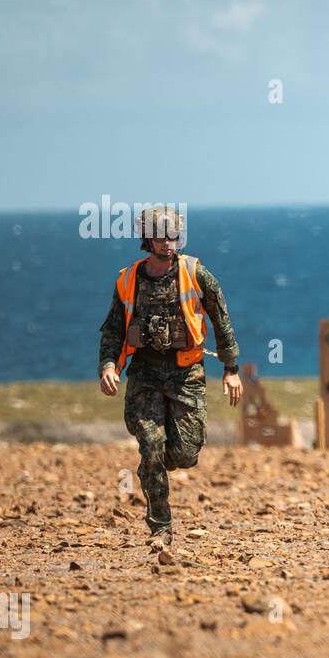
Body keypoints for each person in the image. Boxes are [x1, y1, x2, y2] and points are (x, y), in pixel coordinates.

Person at [97, 205, 242, 542]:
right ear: (147, 239)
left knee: (185, 454)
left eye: (174, 235)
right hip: (145, 373)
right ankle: (161, 527)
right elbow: (113, 330)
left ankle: (162, 464)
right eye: (161, 236)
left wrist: (230, 369)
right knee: (151, 447)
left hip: (186, 373)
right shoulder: (128, 279)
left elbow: (222, 320)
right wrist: (108, 365)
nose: (169, 242)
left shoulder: (196, 273)